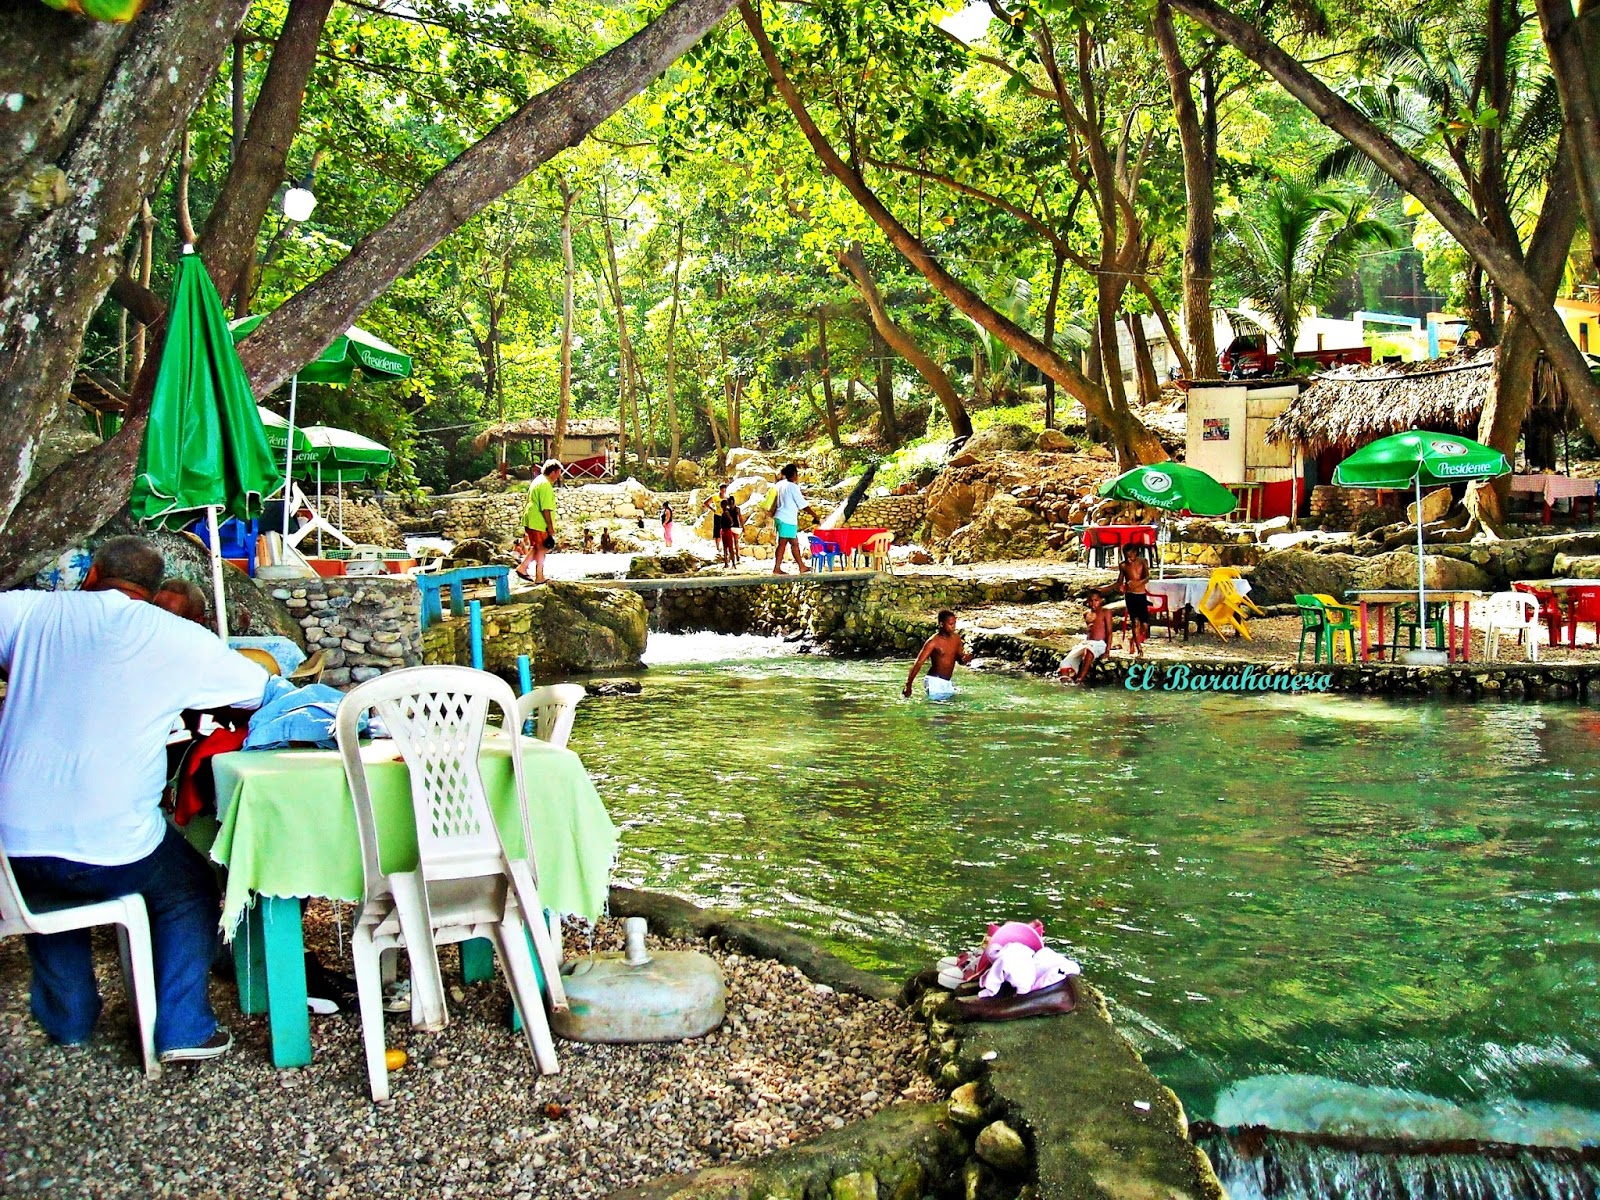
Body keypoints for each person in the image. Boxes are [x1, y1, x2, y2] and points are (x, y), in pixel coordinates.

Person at [0, 536, 272, 1063]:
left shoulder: (28, 611)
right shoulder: (177, 638)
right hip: (112, 845)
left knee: (45, 883)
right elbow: (260, 691)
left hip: (12, 842)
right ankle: (182, 1028)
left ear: (92, 573)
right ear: (152, 589)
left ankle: (70, 1021)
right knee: (187, 887)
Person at [904, 609, 972, 700]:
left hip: (947, 682)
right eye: (950, 624)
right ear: (941, 624)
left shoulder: (956, 639)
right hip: (934, 681)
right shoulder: (933, 642)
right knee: (938, 707)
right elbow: (918, 663)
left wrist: (965, 659)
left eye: (954, 623)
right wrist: (908, 685)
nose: (953, 626)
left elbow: (959, 659)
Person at [518, 459, 562, 583]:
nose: (558, 477)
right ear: (553, 472)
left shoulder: (538, 481)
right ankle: (539, 576)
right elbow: (545, 509)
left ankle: (523, 567)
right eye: (558, 473)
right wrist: (550, 526)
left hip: (530, 519)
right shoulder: (545, 485)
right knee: (542, 548)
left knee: (538, 546)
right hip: (538, 522)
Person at [771, 463, 818, 576]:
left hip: (780, 516)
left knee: (794, 543)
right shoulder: (792, 487)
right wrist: (815, 515)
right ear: (794, 474)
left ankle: (801, 566)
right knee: (783, 543)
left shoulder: (780, 484)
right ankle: (777, 568)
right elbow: (802, 504)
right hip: (787, 518)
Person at [1059, 591, 1113, 684]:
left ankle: (1080, 679)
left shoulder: (1105, 612)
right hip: (1087, 642)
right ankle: (1065, 682)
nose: (1093, 603)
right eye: (1091, 601)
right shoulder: (1086, 614)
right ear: (1087, 601)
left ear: (1100, 600)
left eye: (1096, 600)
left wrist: (1107, 651)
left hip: (1100, 643)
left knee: (1089, 650)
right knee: (1064, 662)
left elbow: (1109, 632)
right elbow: (1090, 630)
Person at [1116, 546, 1151, 657]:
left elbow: (1147, 577)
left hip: (1141, 595)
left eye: (1130, 557)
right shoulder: (1123, 565)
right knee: (1135, 622)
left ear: (1135, 553)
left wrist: (1138, 583)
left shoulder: (1143, 562)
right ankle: (1139, 649)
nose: (1128, 559)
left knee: (1144, 625)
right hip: (1130, 596)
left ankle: (1133, 639)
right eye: (1126, 557)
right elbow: (1120, 580)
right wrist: (1120, 587)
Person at [721, 486, 744, 568]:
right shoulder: (737, 509)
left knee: (728, 545)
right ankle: (737, 556)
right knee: (736, 542)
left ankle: (729, 560)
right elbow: (740, 518)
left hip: (729, 527)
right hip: (736, 526)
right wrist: (743, 526)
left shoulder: (726, 510)